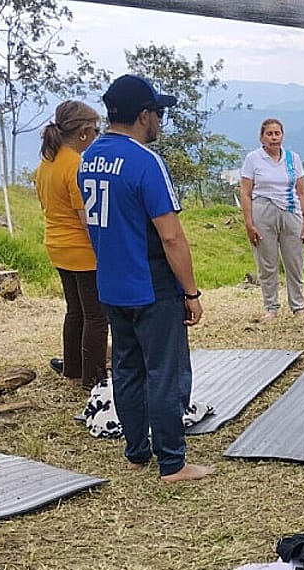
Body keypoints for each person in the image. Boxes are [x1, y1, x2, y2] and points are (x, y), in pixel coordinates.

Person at [81, 74, 213, 483]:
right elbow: (171, 236)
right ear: (143, 115)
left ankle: (136, 450)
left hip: (110, 281)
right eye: (158, 113)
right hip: (150, 283)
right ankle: (172, 462)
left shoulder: (90, 157)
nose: (160, 121)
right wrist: (190, 292)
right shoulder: (144, 161)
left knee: (127, 368)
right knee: (163, 371)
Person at [35, 100, 107, 390]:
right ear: (83, 133)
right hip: (81, 250)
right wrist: (103, 250)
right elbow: (85, 217)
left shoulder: (47, 163)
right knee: (97, 316)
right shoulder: (76, 165)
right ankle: (94, 380)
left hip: (56, 245)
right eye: (96, 131)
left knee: (74, 310)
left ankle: (74, 369)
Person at [240, 118, 304, 318]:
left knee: (295, 262)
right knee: (267, 263)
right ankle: (271, 307)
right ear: (262, 137)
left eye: (277, 133)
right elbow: (246, 193)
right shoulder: (253, 159)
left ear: (283, 135)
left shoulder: (293, 158)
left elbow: (302, 191)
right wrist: (249, 223)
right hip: (263, 211)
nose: (274, 138)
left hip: (291, 213)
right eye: (269, 134)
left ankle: (298, 307)